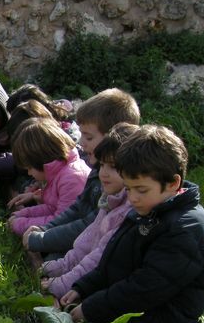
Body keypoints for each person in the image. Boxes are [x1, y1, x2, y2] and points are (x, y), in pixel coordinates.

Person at [61, 125, 204, 323]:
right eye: (129, 188)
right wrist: (83, 287)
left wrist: (91, 307)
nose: (132, 197)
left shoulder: (186, 230)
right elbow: (113, 261)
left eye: (141, 190)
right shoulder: (147, 211)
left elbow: (143, 290)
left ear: (173, 184)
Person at [22, 88, 141, 257]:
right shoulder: (98, 170)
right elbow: (77, 208)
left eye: (89, 137)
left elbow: (89, 225)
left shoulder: (120, 183)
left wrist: (43, 239)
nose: (82, 143)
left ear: (113, 136)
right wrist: (45, 229)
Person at [40, 123, 139, 299]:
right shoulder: (112, 198)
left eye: (113, 167)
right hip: (93, 276)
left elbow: (99, 256)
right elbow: (89, 239)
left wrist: (65, 282)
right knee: (52, 258)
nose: (104, 173)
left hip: (107, 285)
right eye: (102, 165)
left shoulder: (129, 209)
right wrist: (64, 264)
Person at [6, 117, 90, 236]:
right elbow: (52, 207)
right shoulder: (58, 173)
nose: (29, 173)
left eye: (30, 168)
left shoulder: (72, 179)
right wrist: (23, 213)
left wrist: (20, 224)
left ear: (42, 159)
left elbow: (60, 222)